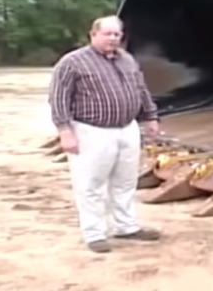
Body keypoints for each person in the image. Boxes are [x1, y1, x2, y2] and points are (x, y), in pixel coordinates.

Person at [49, 15, 163, 253]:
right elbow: (59, 98)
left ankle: (126, 227)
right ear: (93, 35)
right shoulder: (72, 62)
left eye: (117, 35)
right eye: (107, 34)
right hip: (92, 131)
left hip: (127, 128)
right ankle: (94, 234)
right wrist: (64, 131)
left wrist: (150, 117)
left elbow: (141, 89)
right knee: (90, 184)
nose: (113, 38)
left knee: (125, 182)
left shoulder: (127, 59)